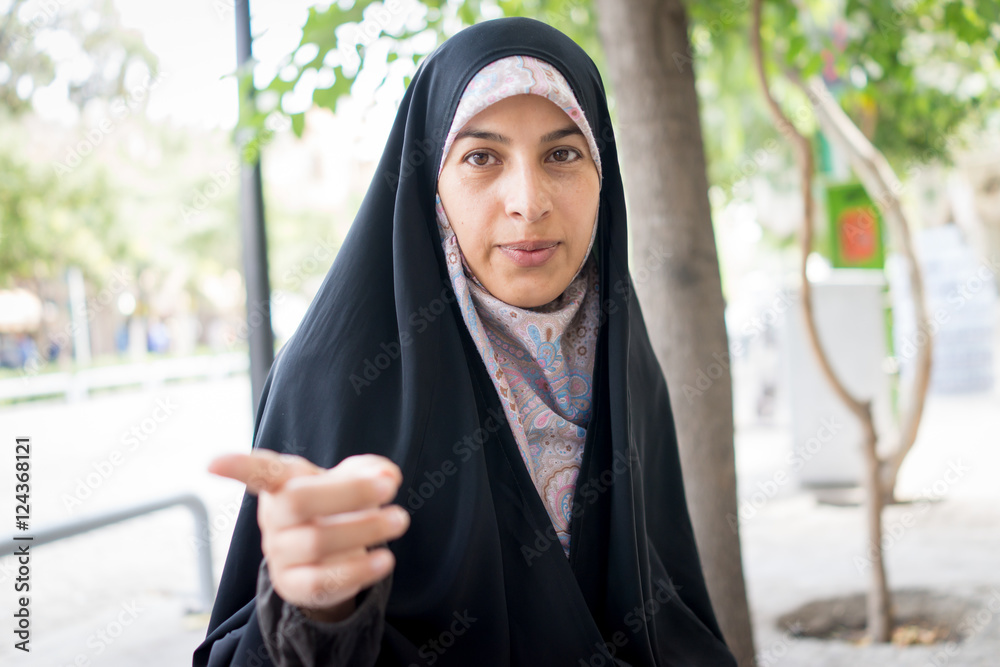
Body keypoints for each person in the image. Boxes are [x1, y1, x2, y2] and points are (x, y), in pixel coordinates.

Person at [194, 16, 738, 667]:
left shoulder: (625, 366)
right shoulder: (337, 377)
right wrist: (316, 608)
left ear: (604, 176)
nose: (528, 201)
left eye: (563, 154)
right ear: (431, 185)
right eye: (482, 157)